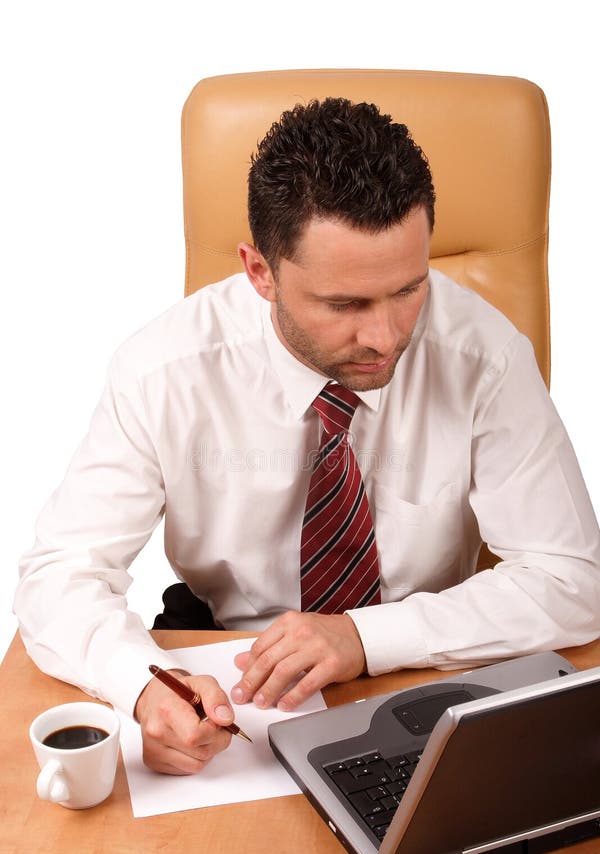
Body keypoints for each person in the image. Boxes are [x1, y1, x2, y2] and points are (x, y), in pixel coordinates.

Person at [14, 98, 600, 776]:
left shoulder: (485, 357)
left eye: (410, 289)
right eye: (344, 304)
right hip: (230, 677)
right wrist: (142, 686)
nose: (384, 339)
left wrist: (362, 637)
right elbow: (59, 575)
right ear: (260, 272)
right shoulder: (161, 372)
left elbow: (574, 581)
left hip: (420, 665)